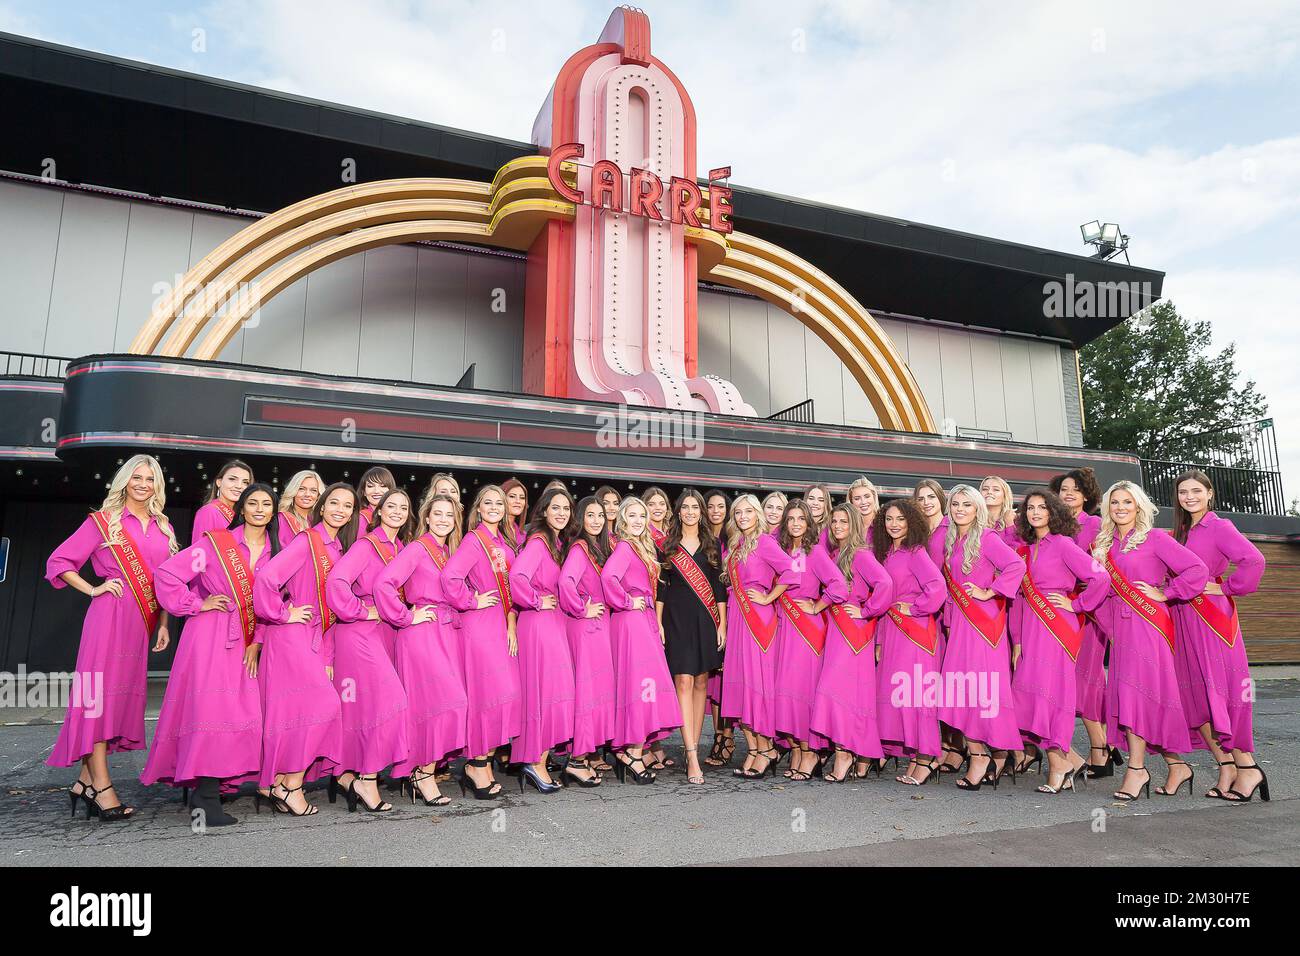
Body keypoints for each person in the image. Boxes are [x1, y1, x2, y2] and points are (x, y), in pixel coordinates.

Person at [47, 455, 179, 822]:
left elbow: (165, 581)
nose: (142, 484)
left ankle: (84, 784)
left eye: (149, 479)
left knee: (117, 700)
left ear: (157, 485)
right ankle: (103, 790)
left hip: (141, 625)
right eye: (136, 477)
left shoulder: (163, 527)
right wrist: (93, 589)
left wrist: (165, 622)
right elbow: (59, 562)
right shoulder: (103, 522)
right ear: (124, 481)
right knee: (97, 700)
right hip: (108, 619)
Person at [144, 482, 276, 826]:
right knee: (210, 710)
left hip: (245, 641)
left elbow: (276, 602)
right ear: (241, 509)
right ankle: (205, 795)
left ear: (273, 511)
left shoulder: (275, 551)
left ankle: (217, 785)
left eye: (266, 504)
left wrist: (257, 640)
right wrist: (196, 603)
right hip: (211, 635)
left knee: (239, 712)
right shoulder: (217, 544)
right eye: (253, 503)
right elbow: (168, 572)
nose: (259, 509)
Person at [1092, 480, 1207, 800]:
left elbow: (1196, 569)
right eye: (1114, 502)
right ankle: (1177, 765)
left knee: (1137, 698)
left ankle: (1137, 770)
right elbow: (1099, 592)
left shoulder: (1155, 538)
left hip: (1149, 628)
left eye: (1127, 502)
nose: (1120, 508)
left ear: (1139, 506)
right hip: (1121, 630)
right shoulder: (1103, 545)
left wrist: (1166, 593)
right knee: (1136, 699)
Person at [252, 481, 355, 816]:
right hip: (290, 637)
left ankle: (282, 781)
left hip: (314, 639)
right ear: (321, 507)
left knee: (298, 715)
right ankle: (291, 785)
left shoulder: (339, 549)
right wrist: (283, 613)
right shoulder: (307, 540)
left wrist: (327, 656)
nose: (340, 510)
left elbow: (332, 609)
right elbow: (267, 579)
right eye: (334, 503)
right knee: (324, 706)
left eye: (348, 506)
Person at [1169, 469, 1269, 801]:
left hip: (1211, 620)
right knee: (1195, 695)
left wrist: (1225, 587)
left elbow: (1254, 561)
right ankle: (1226, 765)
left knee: (1222, 693)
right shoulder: (1181, 531)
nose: (1189, 497)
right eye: (1183, 492)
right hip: (1184, 617)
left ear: (1209, 493)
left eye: (1196, 491)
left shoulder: (1219, 527)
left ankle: (1248, 768)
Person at [1009, 488, 1108, 794]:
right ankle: (1067, 760)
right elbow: (1020, 598)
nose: (1035, 513)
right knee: (1029, 694)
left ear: (1054, 512)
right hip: (1032, 628)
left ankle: (1058, 765)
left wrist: (1077, 605)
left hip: (1057, 628)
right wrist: (1018, 641)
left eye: (1042, 507)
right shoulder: (1027, 549)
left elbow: (1100, 578)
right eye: (1030, 508)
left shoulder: (1064, 545)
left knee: (1053, 695)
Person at [373, 491, 469, 807]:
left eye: (449, 515)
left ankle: (421, 770)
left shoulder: (447, 551)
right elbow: (384, 584)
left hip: (444, 633)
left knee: (436, 707)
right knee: (448, 703)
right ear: (427, 517)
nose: (443, 519)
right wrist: (406, 616)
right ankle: (422, 774)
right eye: (437, 513)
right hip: (422, 633)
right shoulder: (417, 548)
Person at [324, 488, 416, 812]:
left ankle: (344, 775)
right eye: (391, 506)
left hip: (384, 634)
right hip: (359, 634)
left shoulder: (401, 547)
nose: (397, 511)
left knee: (365, 709)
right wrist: (362, 610)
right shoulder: (367, 545)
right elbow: (336, 582)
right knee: (392, 702)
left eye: (403, 507)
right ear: (378, 511)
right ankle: (367, 778)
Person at [936, 485, 1026, 791]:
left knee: (981, 693)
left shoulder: (987, 537)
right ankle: (982, 755)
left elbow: (1016, 565)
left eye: (967, 504)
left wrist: (990, 591)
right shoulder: (952, 540)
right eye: (956, 504)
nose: (960, 509)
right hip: (960, 625)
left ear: (978, 509)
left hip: (984, 628)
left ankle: (983, 756)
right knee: (963, 692)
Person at [441, 484, 522, 799]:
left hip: (500, 625)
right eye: (487, 503)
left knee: (503, 696)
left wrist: (511, 622)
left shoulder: (503, 540)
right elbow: (450, 578)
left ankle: (483, 762)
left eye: (498, 504)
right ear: (479, 507)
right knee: (489, 697)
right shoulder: (475, 540)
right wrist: (472, 601)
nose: (494, 508)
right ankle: (476, 764)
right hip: (480, 627)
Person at [601, 497, 684, 783]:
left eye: (641, 516)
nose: (637, 521)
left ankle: (633, 749)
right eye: (632, 515)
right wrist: (626, 601)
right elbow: (608, 578)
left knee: (646, 685)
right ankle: (634, 752)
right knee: (640, 684)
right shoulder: (625, 546)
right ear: (623, 519)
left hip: (642, 620)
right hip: (631, 622)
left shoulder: (640, 545)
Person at [810, 503, 893, 782]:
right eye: (834, 522)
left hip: (853, 634)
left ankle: (845, 753)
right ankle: (853, 751)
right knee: (843, 694)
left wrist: (867, 610)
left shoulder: (860, 554)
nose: (837, 526)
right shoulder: (835, 553)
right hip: (835, 630)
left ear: (855, 524)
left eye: (844, 522)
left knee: (839, 691)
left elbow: (885, 583)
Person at [720, 494, 798, 778]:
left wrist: (768, 598)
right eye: (738, 513)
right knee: (741, 684)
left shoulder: (766, 541)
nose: (742, 517)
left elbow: (791, 572)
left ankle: (767, 749)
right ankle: (754, 749)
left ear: (757, 514)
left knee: (757, 684)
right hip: (739, 618)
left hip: (758, 620)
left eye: (748, 511)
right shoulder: (736, 544)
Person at [509, 487, 579, 793]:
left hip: (551, 624)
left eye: (566, 508)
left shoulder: (555, 543)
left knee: (553, 691)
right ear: (544, 511)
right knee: (544, 691)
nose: (562, 513)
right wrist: (536, 600)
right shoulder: (538, 542)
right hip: (538, 625)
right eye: (556, 508)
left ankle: (538, 758)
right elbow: (517, 578)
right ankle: (534, 761)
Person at [871, 499, 946, 784]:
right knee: (902, 696)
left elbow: (937, 587)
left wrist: (915, 608)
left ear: (910, 522)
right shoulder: (886, 554)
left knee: (917, 695)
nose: (894, 524)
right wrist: (879, 640)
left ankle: (928, 758)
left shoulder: (915, 552)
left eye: (900, 519)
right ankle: (917, 755)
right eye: (889, 519)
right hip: (891, 631)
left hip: (915, 633)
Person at [656, 489, 728, 785]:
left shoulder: (712, 544)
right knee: (683, 680)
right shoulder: (667, 545)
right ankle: (692, 755)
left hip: (706, 620)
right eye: (684, 507)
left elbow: (719, 587)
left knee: (700, 681)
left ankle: (693, 746)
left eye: (694, 507)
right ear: (679, 512)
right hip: (676, 619)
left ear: (701, 512)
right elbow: (661, 588)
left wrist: (722, 623)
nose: (689, 512)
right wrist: (658, 622)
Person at [1050, 466, 1117, 778]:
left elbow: (1101, 569)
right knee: (1069, 682)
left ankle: (1100, 749)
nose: (1069, 493)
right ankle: (1101, 747)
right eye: (1064, 488)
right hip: (1057, 614)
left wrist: (1080, 603)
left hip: (1086, 613)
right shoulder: (1054, 525)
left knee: (1085, 681)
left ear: (1087, 495)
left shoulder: (1094, 524)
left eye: (1076, 488)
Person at [772, 499, 846, 780]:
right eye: (790, 518)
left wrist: (818, 605)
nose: (795, 523)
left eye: (801, 519)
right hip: (783, 627)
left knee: (802, 693)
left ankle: (811, 752)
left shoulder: (814, 552)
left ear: (809, 523)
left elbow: (838, 584)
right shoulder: (781, 550)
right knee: (786, 692)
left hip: (806, 631)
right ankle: (797, 749)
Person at [558, 496, 617, 782]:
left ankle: (583, 754)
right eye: (590, 515)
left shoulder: (598, 548)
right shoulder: (580, 548)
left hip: (597, 628)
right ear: (580, 519)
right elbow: (566, 581)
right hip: (587, 628)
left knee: (595, 694)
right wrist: (581, 608)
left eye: (600, 515)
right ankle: (577, 759)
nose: (596, 520)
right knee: (586, 695)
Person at [702, 489, 734, 766]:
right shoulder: (702, 540)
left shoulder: (734, 538)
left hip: (733, 610)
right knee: (714, 679)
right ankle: (717, 735)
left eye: (720, 506)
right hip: (707, 612)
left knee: (727, 676)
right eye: (710, 506)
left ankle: (728, 735)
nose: (715, 511)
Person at [193, 459, 252, 541]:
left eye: (245, 482)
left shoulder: (242, 516)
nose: (239, 486)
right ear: (219, 482)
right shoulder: (209, 511)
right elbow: (199, 551)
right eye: (232, 479)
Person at [277, 469, 323, 545]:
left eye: (313, 490)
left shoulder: (317, 521)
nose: (307, 494)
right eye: (301, 489)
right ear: (293, 491)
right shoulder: (282, 519)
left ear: (318, 495)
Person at [501, 478, 530, 552]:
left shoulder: (524, 535)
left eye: (522, 498)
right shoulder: (492, 530)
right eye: (512, 496)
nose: (518, 501)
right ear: (502, 498)